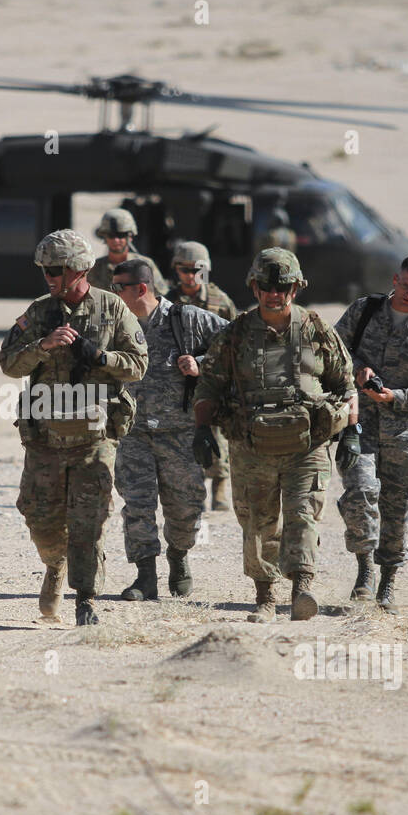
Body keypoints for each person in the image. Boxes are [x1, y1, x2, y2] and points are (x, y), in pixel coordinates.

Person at [192, 248, 356, 623]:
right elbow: (208, 387)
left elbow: (345, 385)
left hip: (308, 445)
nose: (273, 293)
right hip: (251, 446)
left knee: (304, 514)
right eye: (266, 286)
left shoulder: (317, 329)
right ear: (254, 287)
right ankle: (265, 598)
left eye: (282, 287)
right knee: (257, 522)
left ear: (295, 288)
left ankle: (302, 589)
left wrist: (352, 430)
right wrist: (202, 428)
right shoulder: (235, 335)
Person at [0, 229, 148, 626]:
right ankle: (54, 564)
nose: (48, 276)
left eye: (56, 270)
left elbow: (138, 365)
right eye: (44, 270)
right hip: (45, 438)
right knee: (39, 517)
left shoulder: (112, 308)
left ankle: (86, 599)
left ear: (80, 269)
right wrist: (42, 346)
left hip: (94, 439)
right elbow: (9, 364)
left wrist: (100, 357)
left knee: (89, 520)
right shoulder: (39, 311)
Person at [333, 256, 408, 613]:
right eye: (405, 286)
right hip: (360, 424)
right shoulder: (365, 311)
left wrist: (394, 396)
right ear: (395, 280)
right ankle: (365, 570)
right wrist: (358, 370)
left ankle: (388, 582)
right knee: (360, 491)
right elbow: (332, 350)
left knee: (398, 510)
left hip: (404, 434)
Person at [111, 258, 227, 602]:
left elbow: (237, 342)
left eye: (119, 287)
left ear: (141, 289)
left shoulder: (186, 319)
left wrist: (201, 363)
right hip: (133, 432)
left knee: (186, 508)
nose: (113, 294)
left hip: (180, 433)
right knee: (137, 505)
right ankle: (145, 575)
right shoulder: (115, 322)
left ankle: (178, 555)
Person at [165, 239, 237, 510]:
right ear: (176, 269)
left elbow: (234, 340)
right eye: (185, 270)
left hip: (213, 374)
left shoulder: (220, 301)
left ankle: (219, 487)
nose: (191, 275)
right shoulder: (167, 301)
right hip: (178, 374)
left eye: (197, 270)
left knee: (216, 429)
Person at [86, 208, 164, 294]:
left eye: (120, 235)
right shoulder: (94, 268)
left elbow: (162, 295)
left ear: (130, 237)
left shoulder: (145, 265)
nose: (116, 240)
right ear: (104, 237)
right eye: (111, 235)